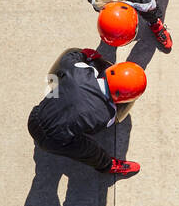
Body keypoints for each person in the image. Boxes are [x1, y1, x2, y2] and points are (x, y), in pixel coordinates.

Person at [27, 47, 146, 177]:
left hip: (35, 118)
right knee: (90, 150)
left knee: (59, 93)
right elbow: (90, 131)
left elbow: (68, 57)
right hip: (56, 142)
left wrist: (85, 54)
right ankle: (107, 165)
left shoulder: (79, 72)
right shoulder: (107, 115)